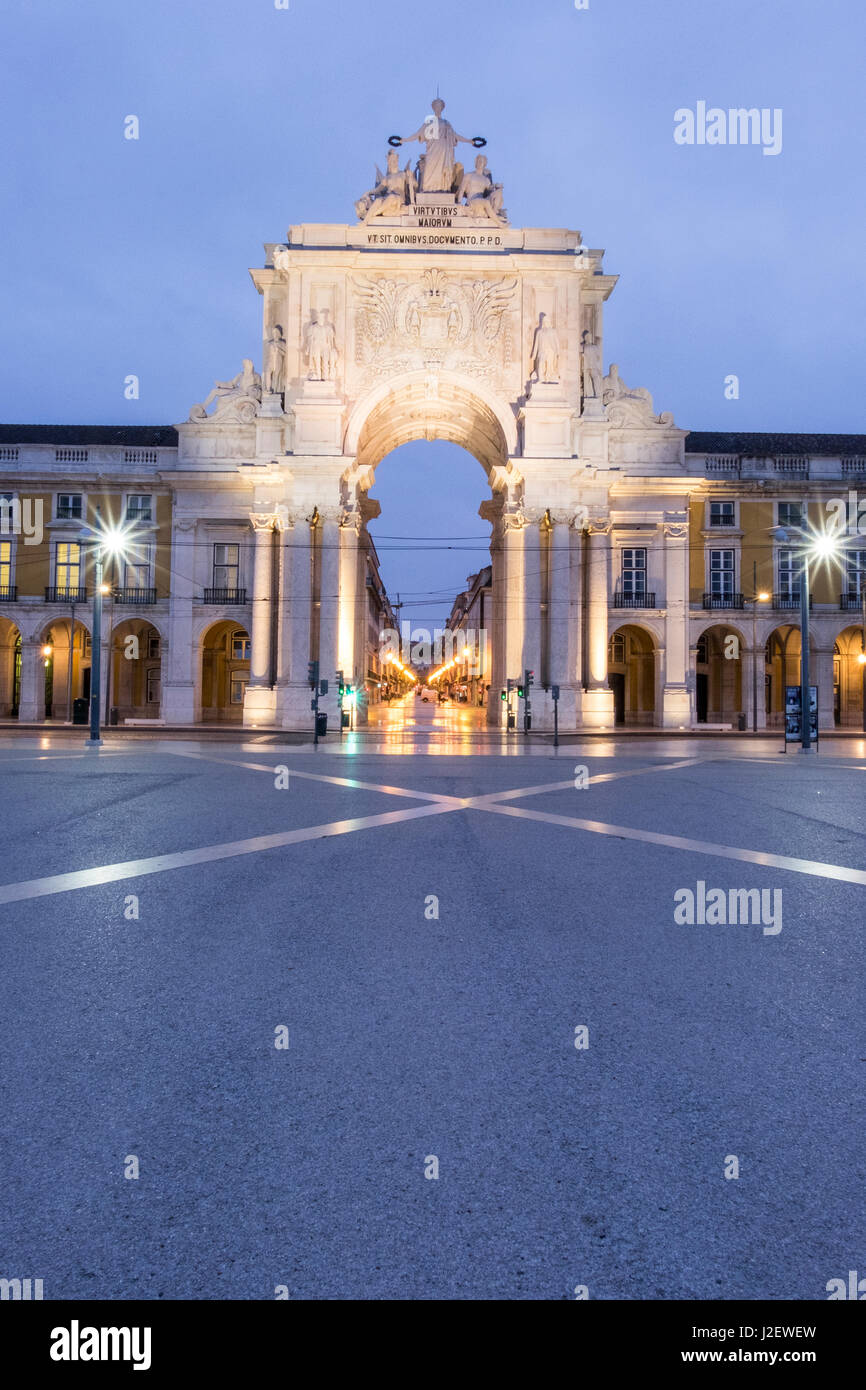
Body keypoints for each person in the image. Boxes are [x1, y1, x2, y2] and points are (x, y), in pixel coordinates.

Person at [396, 98, 474, 193]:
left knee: (442, 170)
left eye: (439, 106)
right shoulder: (429, 122)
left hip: (443, 149)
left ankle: (442, 189)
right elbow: (417, 134)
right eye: (436, 106)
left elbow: (455, 135)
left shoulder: (446, 123)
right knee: (429, 168)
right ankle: (428, 189)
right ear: (433, 108)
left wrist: (469, 141)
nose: (438, 108)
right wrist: (404, 140)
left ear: (442, 108)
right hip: (432, 149)